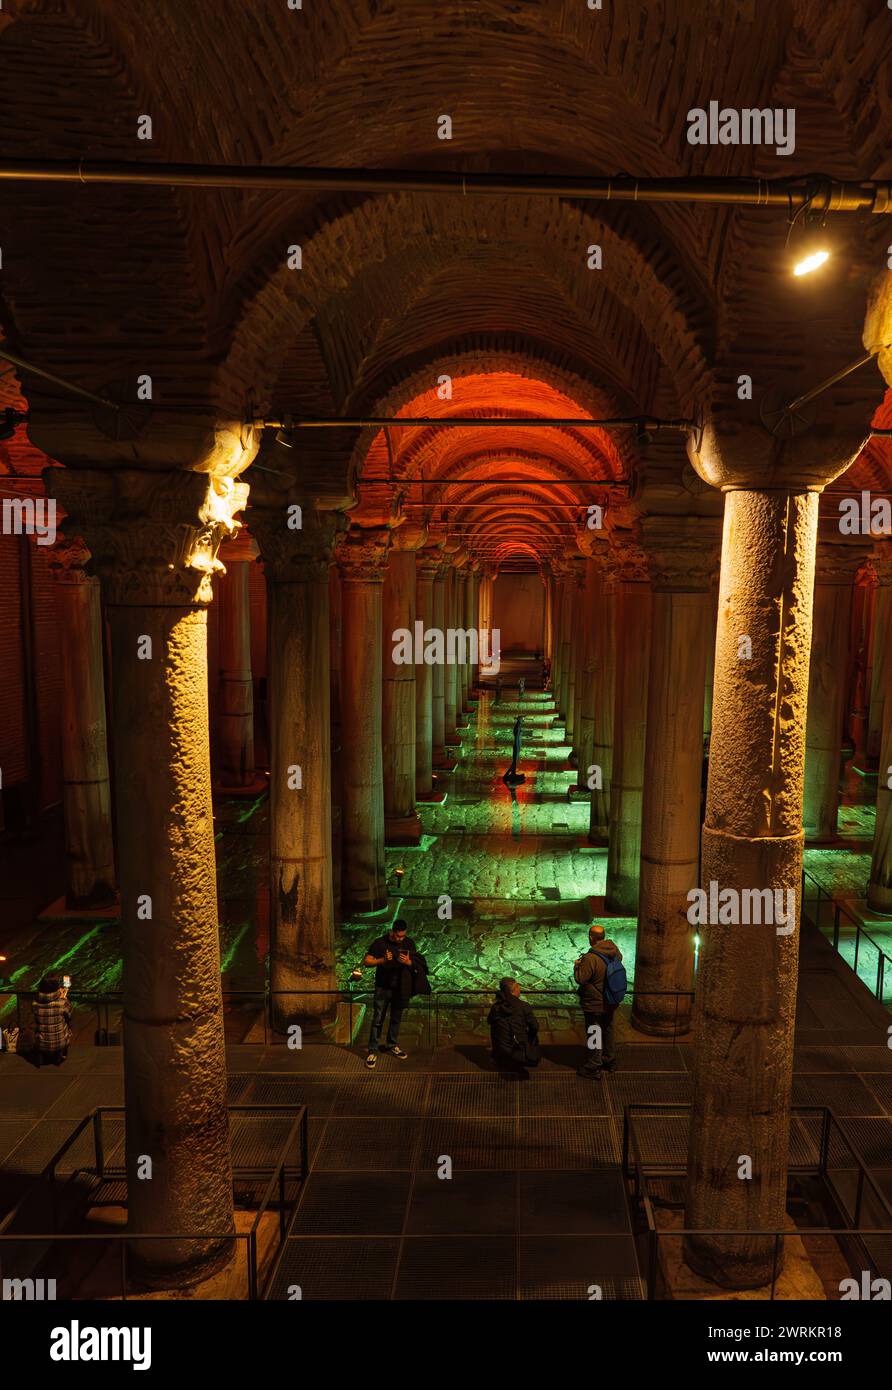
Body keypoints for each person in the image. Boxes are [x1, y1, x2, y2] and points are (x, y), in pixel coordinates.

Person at [362, 920, 428, 1069]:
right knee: (378, 1019)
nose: (400, 939)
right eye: (398, 936)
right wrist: (383, 960)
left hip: (401, 988)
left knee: (396, 1019)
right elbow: (366, 962)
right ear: (392, 932)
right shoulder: (380, 943)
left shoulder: (409, 943)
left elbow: (415, 964)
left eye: (403, 936)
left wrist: (408, 962)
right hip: (383, 987)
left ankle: (392, 1044)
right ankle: (373, 1049)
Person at [574, 924, 622, 1078]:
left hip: (594, 1003)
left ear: (590, 938)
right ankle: (610, 1060)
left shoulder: (590, 958)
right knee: (608, 1029)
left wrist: (576, 967)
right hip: (611, 999)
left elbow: (581, 979)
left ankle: (594, 1066)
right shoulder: (614, 951)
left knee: (594, 1032)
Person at [488, 978, 540, 1069]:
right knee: (533, 1032)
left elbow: (489, 1021)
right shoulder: (523, 1006)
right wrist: (529, 1038)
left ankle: (498, 1055)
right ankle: (528, 1053)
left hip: (501, 1051)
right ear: (514, 988)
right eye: (518, 986)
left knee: (495, 1027)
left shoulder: (495, 1008)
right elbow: (534, 1027)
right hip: (518, 1051)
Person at [32, 975, 71, 1067]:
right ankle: (60, 1055)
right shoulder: (62, 1002)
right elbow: (69, 1013)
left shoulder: (35, 1003)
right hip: (59, 1041)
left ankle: (42, 1057)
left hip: (41, 1041)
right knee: (67, 1026)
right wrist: (63, 997)